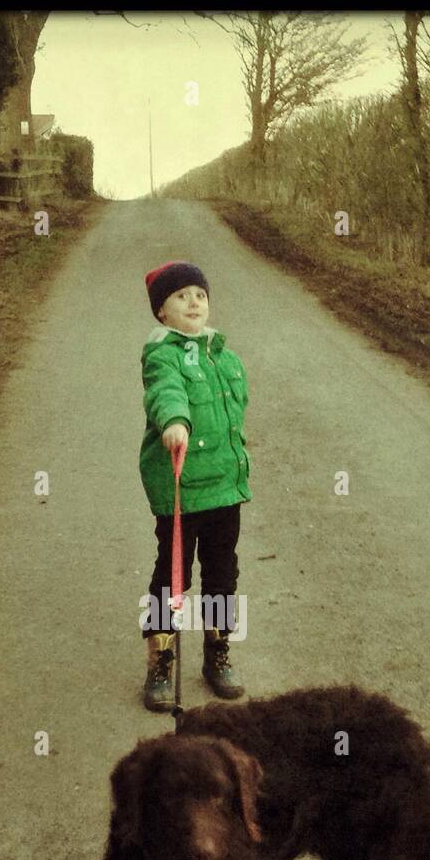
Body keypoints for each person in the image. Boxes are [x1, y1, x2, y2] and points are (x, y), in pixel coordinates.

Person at [139, 261, 251, 712]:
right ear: (161, 312)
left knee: (223, 574)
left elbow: (235, 408)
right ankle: (160, 659)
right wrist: (175, 422)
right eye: (181, 296)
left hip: (225, 486)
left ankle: (218, 651)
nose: (194, 302)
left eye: (199, 295)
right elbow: (166, 391)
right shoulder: (162, 354)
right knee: (172, 575)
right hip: (182, 486)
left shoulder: (223, 353)